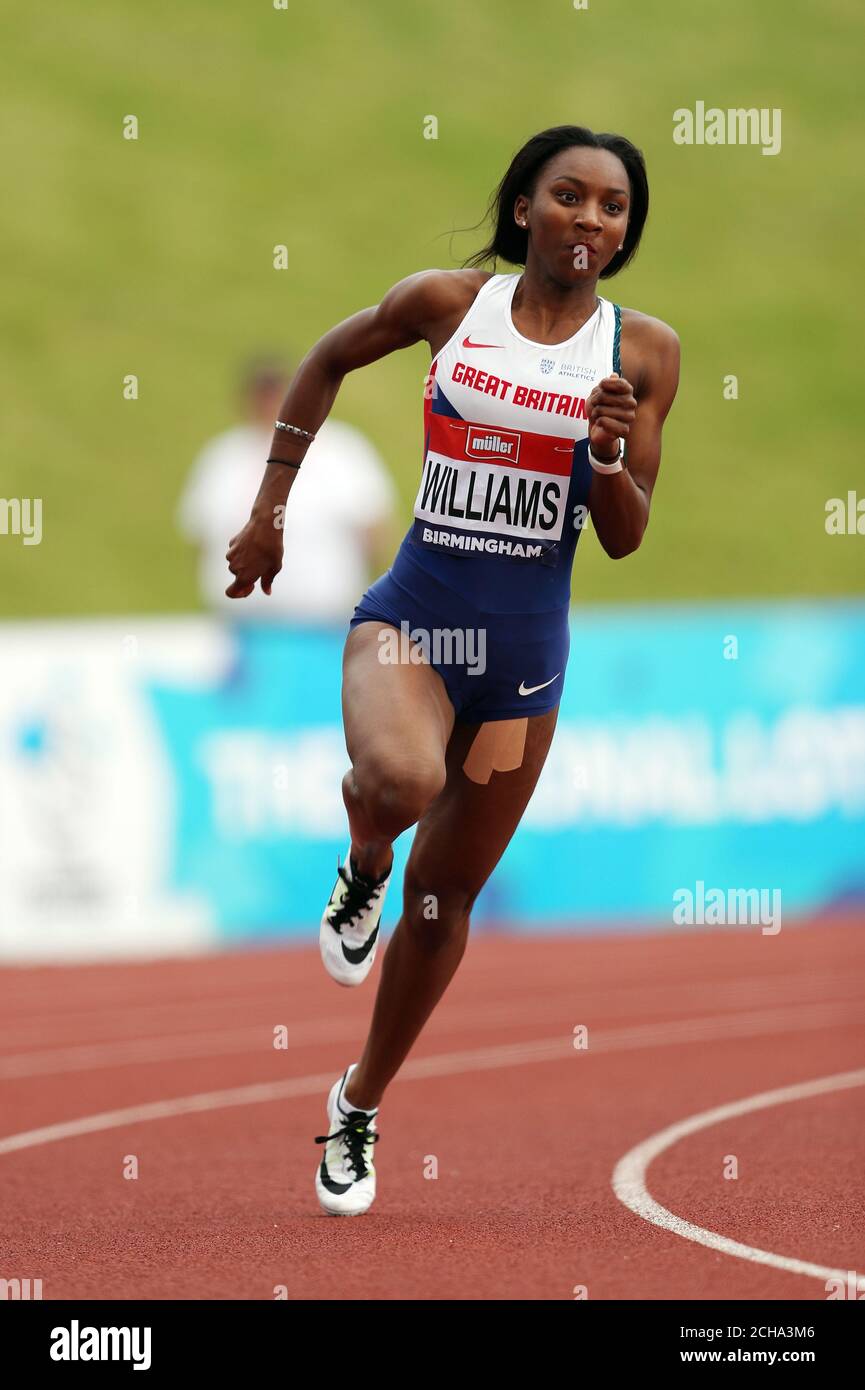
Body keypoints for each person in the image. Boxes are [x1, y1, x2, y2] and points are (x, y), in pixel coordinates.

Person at [225, 124, 680, 1215]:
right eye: (567, 196)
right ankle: (362, 856)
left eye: (611, 207)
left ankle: (358, 1103)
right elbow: (328, 360)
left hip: (523, 665)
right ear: (523, 207)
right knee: (399, 782)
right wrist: (267, 512)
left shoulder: (643, 352)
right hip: (415, 623)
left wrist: (608, 454)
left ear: (624, 236)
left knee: (445, 902)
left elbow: (622, 537)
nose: (589, 219)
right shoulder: (449, 306)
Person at [178, 358, 397, 624]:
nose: (270, 405)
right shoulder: (224, 457)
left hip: (325, 621)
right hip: (244, 622)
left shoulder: (342, 452)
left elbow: (375, 532)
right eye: (263, 396)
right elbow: (200, 536)